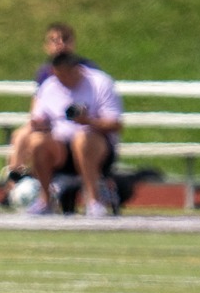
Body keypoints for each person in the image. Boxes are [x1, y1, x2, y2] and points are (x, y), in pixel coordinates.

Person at [10, 51, 124, 216]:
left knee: (82, 139)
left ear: (77, 70)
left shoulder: (99, 83)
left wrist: (88, 121)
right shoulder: (50, 86)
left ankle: (93, 201)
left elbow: (115, 124)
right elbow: (39, 118)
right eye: (58, 75)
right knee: (37, 142)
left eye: (66, 75)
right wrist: (40, 124)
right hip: (61, 147)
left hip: (96, 146)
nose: (62, 80)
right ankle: (45, 201)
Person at [7, 21, 98, 176]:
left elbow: (91, 102)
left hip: (76, 124)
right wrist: (37, 120)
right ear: (46, 45)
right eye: (54, 40)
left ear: (73, 43)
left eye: (65, 39)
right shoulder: (44, 73)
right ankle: (14, 183)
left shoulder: (87, 70)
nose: (60, 44)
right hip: (50, 122)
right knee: (21, 136)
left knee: (37, 140)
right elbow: (37, 105)